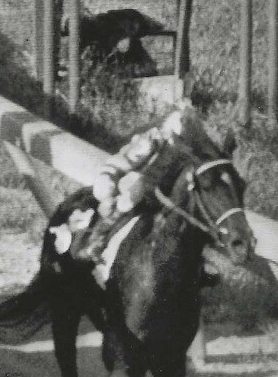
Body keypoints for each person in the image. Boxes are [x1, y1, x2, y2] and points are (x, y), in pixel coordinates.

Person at [57, 105, 191, 266]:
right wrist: (109, 183)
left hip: (165, 195)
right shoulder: (151, 140)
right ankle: (98, 239)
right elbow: (123, 162)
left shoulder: (184, 151)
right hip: (135, 189)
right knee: (132, 188)